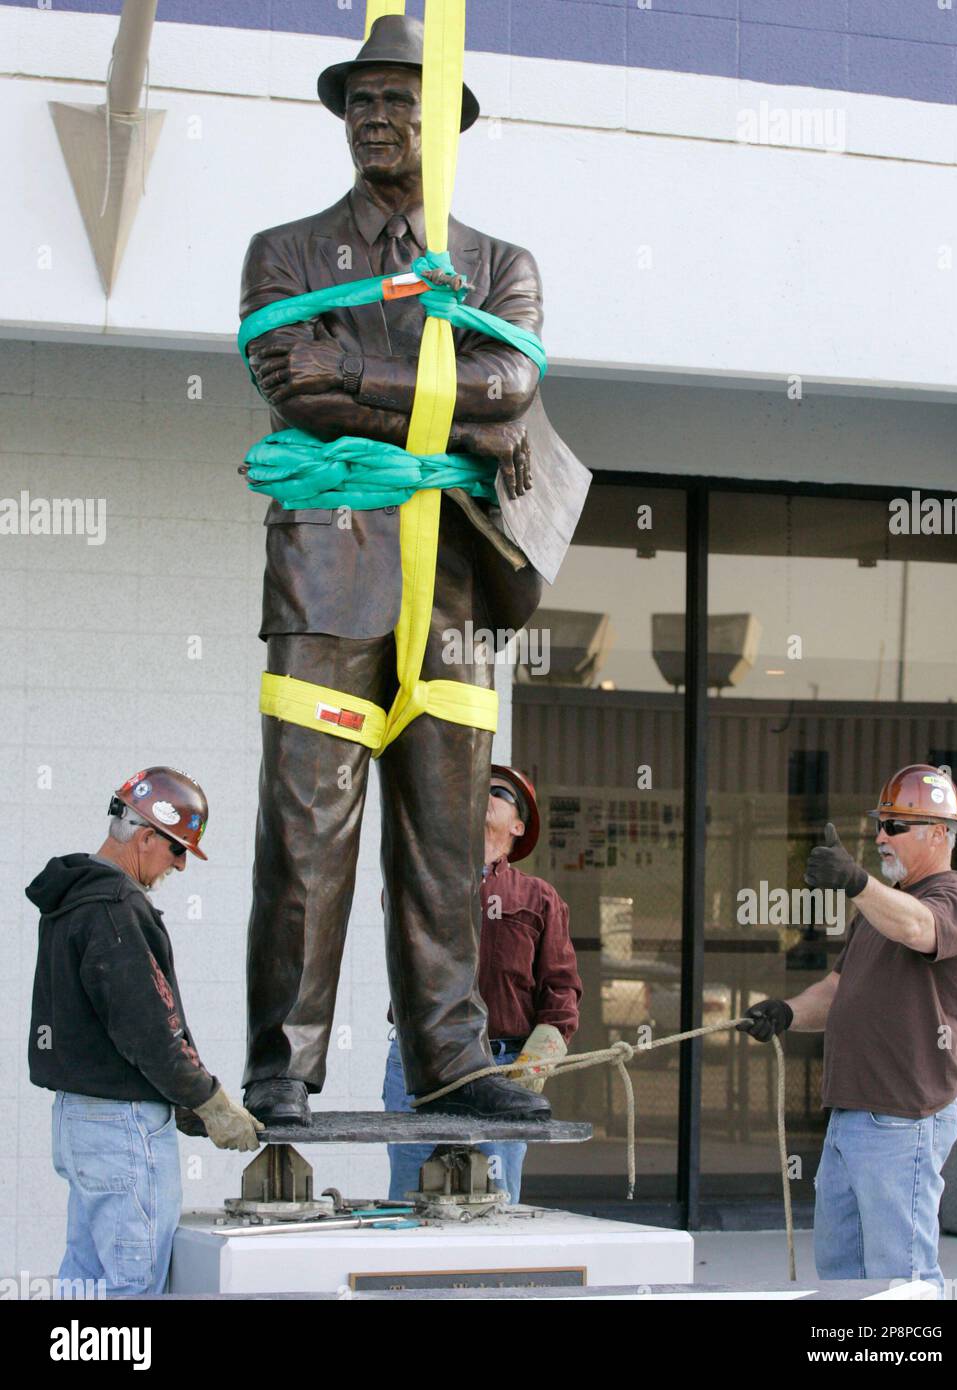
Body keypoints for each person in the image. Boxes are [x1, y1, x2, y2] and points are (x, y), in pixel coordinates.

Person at [239, 15, 587, 1127]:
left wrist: (353, 365)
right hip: (325, 576)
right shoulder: (284, 253)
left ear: (444, 121)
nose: (375, 119)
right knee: (304, 834)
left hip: (451, 593)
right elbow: (289, 388)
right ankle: (280, 1065)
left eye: (398, 99)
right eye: (360, 101)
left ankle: (448, 1053)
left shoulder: (498, 265)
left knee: (444, 836)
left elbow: (510, 390)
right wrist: (439, 417)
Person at [739, 764, 957, 1292]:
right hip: (851, 1117)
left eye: (896, 825)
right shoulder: (877, 913)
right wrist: (786, 1013)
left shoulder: (956, 902)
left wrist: (856, 881)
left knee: (903, 1283)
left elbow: (919, 927)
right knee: (843, 1281)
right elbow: (836, 990)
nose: (880, 836)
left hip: (902, 1121)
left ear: (940, 833)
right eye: (881, 823)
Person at [28, 768, 263, 1297]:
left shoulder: (71, 900)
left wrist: (182, 1099)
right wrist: (209, 1101)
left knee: (85, 1283)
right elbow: (148, 1029)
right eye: (177, 848)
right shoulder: (115, 909)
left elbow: (109, 1021)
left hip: (80, 1119)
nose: (180, 864)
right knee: (131, 1291)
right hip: (122, 1127)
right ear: (146, 835)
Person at [383, 765, 582, 1202]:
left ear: (518, 825)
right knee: (410, 1197)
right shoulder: (422, 882)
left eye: (497, 791)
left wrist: (532, 1067)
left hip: (502, 1063)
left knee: (494, 1202)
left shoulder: (539, 898)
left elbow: (562, 991)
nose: (482, 795)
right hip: (418, 1064)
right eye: (475, 789)